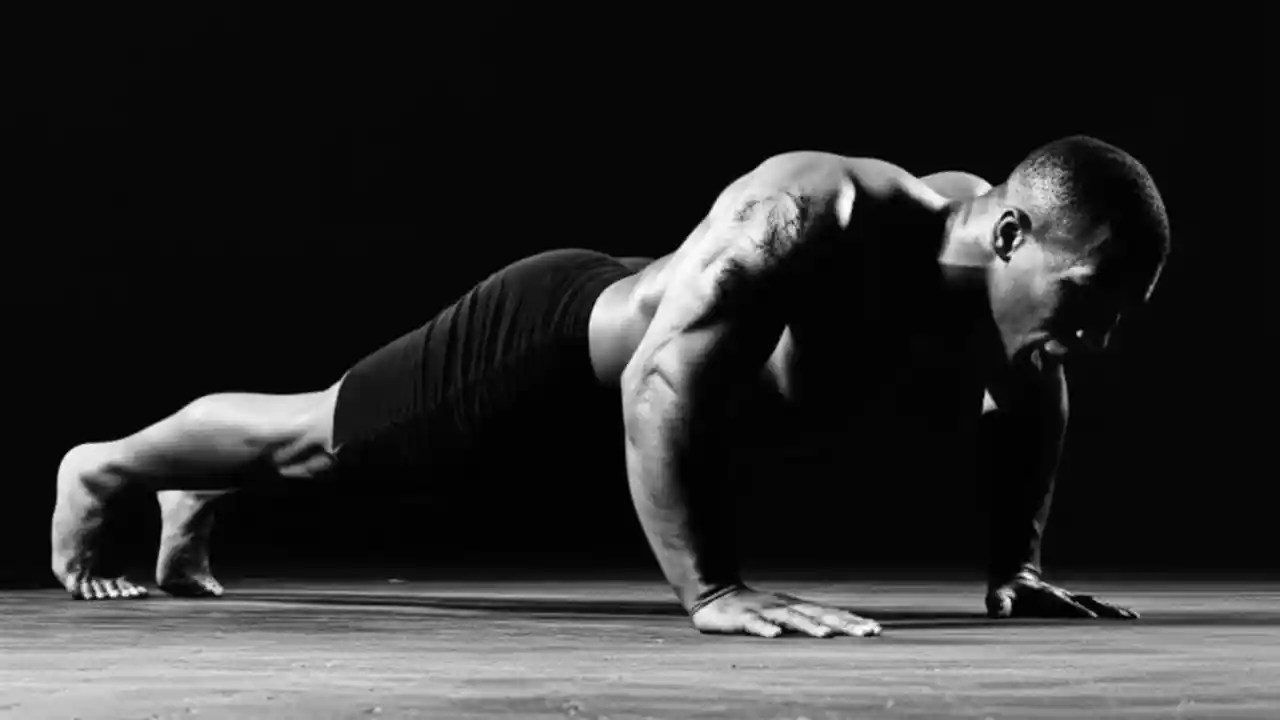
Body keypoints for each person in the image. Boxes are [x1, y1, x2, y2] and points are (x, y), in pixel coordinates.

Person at [51, 135, 1169, 639]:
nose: (1095, 337)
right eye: (1086, 299)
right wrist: (712, 591)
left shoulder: (1008, 300)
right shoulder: (816, 211)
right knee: (312, 439)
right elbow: (658, 378)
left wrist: (1013, 567)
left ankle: (207, 493)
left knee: (326, 459)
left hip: (641, 416)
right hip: (550, 349)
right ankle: (109, 470)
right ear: (1010, 231)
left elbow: (1031, 391)